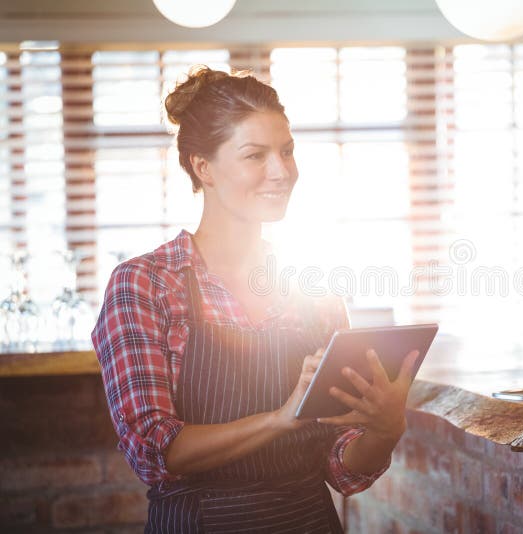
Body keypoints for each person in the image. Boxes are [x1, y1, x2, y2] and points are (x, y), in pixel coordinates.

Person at [91, 65, 420, 533]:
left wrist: (385, 431)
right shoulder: (145, 284)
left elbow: (340, 467)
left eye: (286, 152)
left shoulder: (314, 287)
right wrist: (279, 419)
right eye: (255, 155)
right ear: (202, 167)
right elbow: (154, 451)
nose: (281, 171)